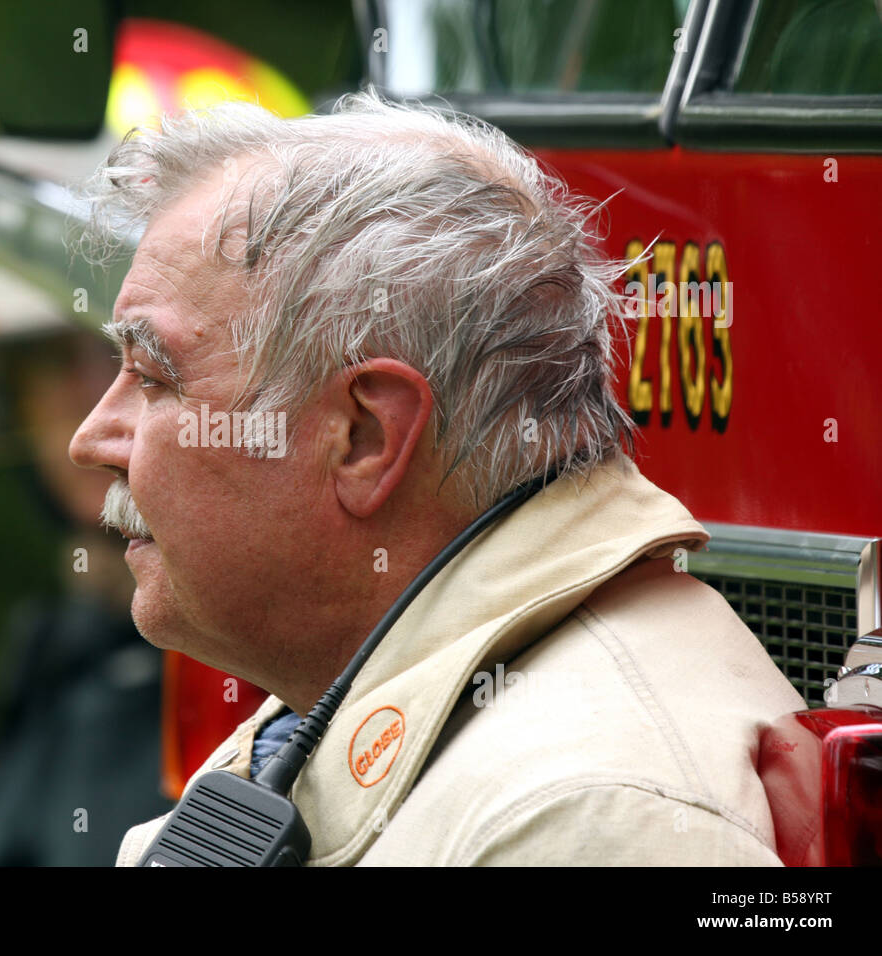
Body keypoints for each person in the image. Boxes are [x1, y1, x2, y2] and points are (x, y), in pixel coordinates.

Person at [67, 91, 803, 866]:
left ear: (365, 437)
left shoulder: (584, 818)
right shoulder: (378, 714)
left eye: (153, 378)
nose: (91, 440)